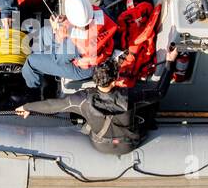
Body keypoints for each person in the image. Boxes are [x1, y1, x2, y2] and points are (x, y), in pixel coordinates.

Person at [14, 47, 178, 155]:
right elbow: (160, 92)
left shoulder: (81, 100)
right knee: (149, 106)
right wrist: (170, 62)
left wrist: (27, 107)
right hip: (129, 145)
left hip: (100, 144)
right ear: (114, 81)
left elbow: (52, 105)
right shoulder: (130, 97)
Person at [20, 0, 116, 90]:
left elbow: (59, 60)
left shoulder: (74, 44)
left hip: (84, 68)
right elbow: (85, 23)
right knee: (44, 32)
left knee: (31, 63)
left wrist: (56, 30)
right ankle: (41, 58)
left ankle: (34, 88)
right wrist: (65, 20)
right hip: (99, 51)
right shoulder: (99, 12)